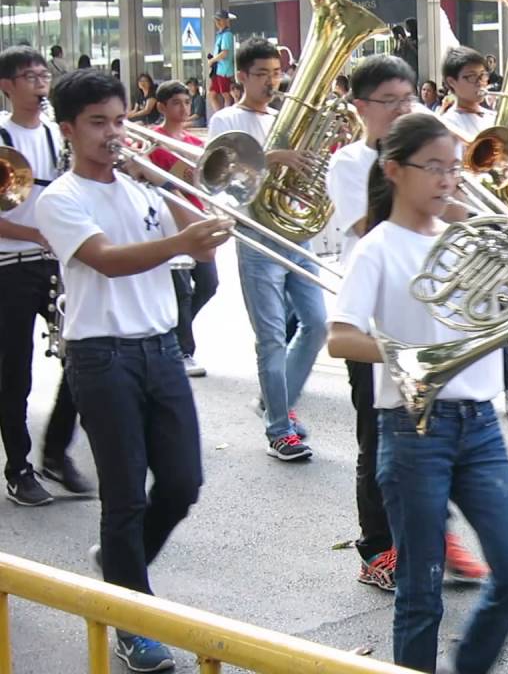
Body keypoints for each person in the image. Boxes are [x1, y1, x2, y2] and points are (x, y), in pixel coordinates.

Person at [35, 67, 233, 673]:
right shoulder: (59, 198)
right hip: (102, 357)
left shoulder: (144, 186)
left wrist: (166, 183)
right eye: (97, 123)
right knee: (124, 497)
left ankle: (121, 570)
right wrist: (179, 239)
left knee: (182, 484)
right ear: (68, 129)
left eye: (120, 120)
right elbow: (108, 260)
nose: (113, 133)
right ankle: (132, 619)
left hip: (161, 349)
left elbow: (202, 247)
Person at [328, 113, 508, 674]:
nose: (448, 180)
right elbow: (340, 338)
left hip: (480, 423)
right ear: (394, 171)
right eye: (434, 168)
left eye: (453, 168)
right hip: (412, 428)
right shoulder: (376, 247)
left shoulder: (464, 239)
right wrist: (404, 354)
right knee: (420, 596)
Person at [326, 54, 490, 592]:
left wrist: (494, 220)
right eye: (390, 101)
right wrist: (441, 200)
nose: (402, 110)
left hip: (432, 309)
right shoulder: (350, 162)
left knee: (438, 428)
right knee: (377, 434)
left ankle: (434, 535)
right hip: (375, 312)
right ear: (361, 106)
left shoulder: (429, 156)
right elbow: (370, 224)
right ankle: (377, 548)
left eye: (407, 99)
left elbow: (447, 220)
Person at [208, 37, 326, 461]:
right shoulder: (226, 119)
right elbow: (221, 179)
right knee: (272, 338)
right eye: (262, 74)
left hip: (296, 230)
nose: (272, 82)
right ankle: (280, 428)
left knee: (318, 324)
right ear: (241, 76)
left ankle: (276, 399)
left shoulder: (283, 116)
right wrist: (272, 158)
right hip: (257, 235)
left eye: (276, 74)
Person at [0, 45, 90, 505]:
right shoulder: (0, 135)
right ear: (7, 86)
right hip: (8, 268)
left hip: (54, 263)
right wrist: (37, 234)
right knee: (14, 374)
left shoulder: (59, 134)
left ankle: (55, 452)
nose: (39, 84)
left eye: (42, 75)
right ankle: (19, 468)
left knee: (79, 357)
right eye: (29, 76)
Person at [439, 45, 508, 422]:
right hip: (469, 223)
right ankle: (506, 388)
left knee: (495, 304)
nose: (480, 85)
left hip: (501, 218)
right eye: (470, 78)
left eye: (483, 77)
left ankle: (503, 384)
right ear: (451, 83)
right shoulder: (444, 125)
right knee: (482, 306)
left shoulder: (497, 117)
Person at [149, 80, 218, 378]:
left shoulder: (194, 144)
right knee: (181, 292)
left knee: (208, 284)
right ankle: (184, 350)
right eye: (176, 102)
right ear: (162, 106)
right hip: (168, 222)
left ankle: (174, 331)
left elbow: (207, 183)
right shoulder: (152, 141)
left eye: (187, 102)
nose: (184, 108)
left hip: (196, 216)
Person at [208, 9, 237, 112]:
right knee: (212, 93)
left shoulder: (227, 35)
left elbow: (225, 53)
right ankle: (219, 115)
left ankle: (227, 116)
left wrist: (212, 60)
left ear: (226, 21)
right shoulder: (220, 35)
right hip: (218, 69)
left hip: (224, 69)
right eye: (217, 20)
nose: (218, 23)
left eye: (220, 20)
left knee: (226, 95)